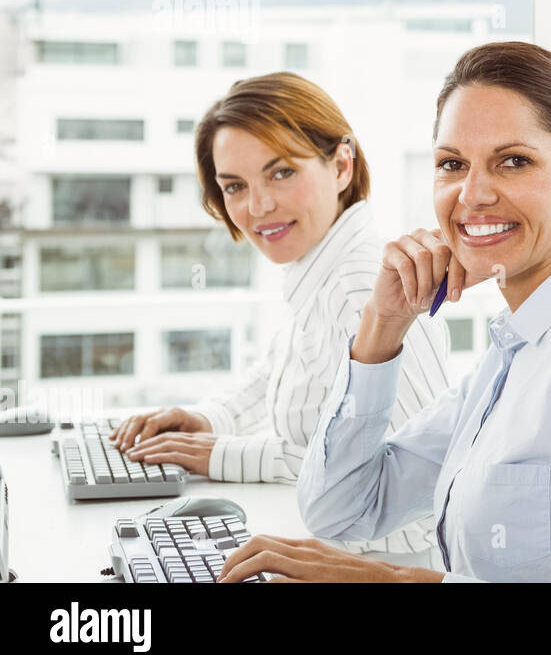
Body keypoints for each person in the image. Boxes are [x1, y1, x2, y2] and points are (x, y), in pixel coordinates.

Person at [219, 41, 551, 583]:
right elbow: (343, 509)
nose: (472, 194)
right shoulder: (511, 355)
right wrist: (383, 325)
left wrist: (400, 583)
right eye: (452, 164)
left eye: (513, 161)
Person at [109, 72, 451, 563]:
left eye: (281, 172)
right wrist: (207, 418)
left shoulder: (360, 285)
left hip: (377, 565)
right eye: (235, 186)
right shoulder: (319, 267)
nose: (258, 206)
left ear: (341, 166)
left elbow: (404, 478)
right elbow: (285, 371)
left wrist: (223, 454)